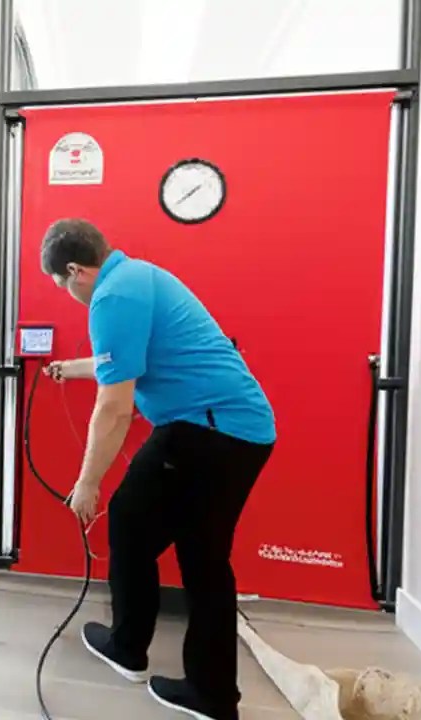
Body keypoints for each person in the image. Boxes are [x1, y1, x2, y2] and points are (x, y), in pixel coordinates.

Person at [40, 218, 276, 720]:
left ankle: (132, 650)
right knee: (199, 556)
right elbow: (123, 364)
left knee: (130, 522)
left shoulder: (111, 298)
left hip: (207, 431)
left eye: (60, 284)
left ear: (76, 271)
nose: (66, 293)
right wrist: (73, 367)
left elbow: (115, 408)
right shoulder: (136, 278)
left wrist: (86, 483)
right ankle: (209, 691)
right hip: (239, 430)